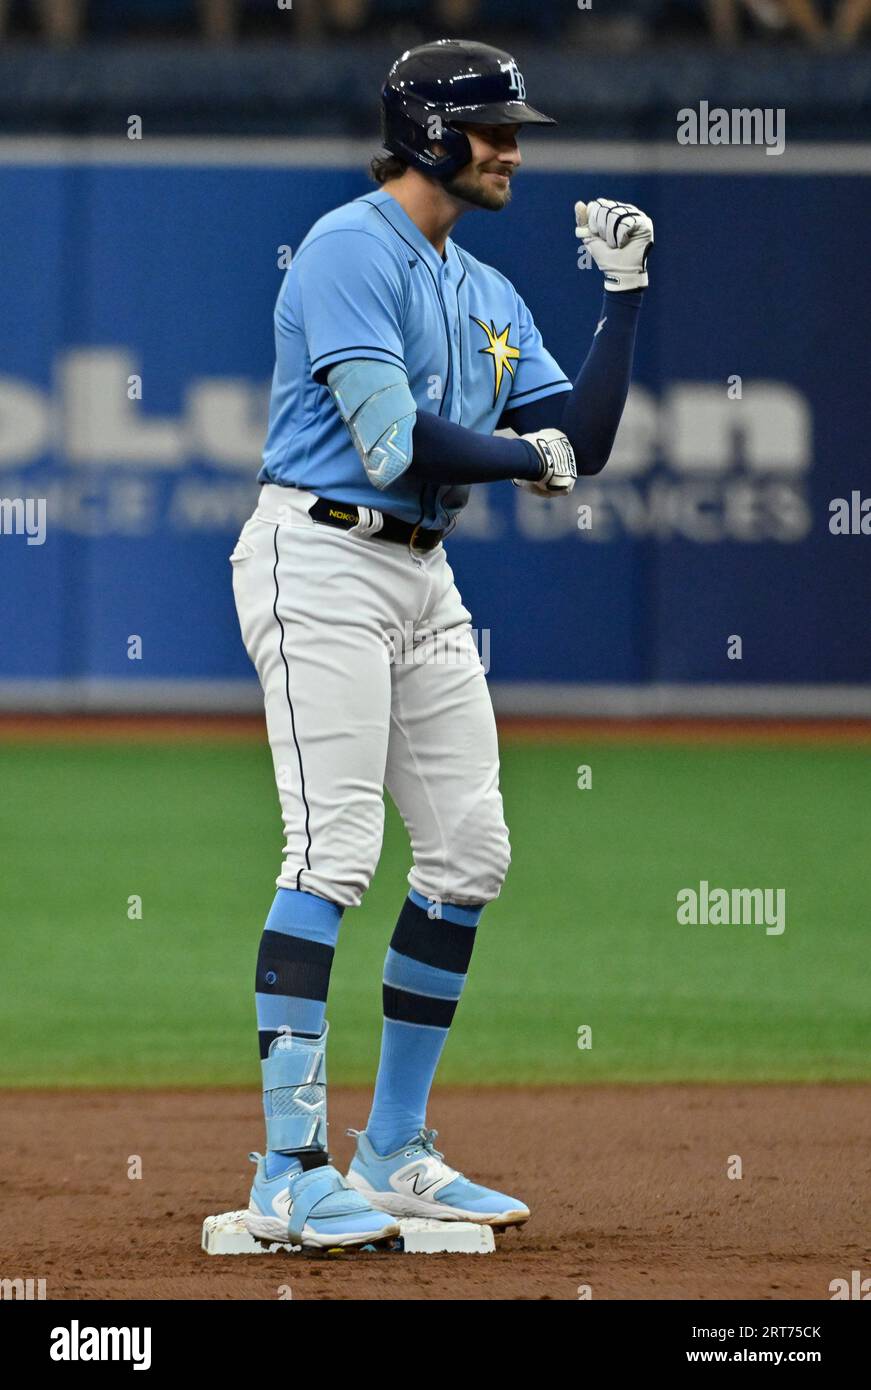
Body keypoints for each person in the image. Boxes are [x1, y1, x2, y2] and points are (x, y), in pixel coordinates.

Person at [231, 38, 652, 1249]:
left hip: (420, 574)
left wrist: (621, 304)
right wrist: (533, 457)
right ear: (424, 132)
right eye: (493, 128)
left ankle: (395, 1150)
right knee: (333, 850)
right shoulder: (348, 248)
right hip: (317, 554)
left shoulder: (483, 288)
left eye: (515, 127)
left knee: (468, 850)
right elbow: (386, 441)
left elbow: (584, 436)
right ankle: (288, 1168)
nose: (512, 146)